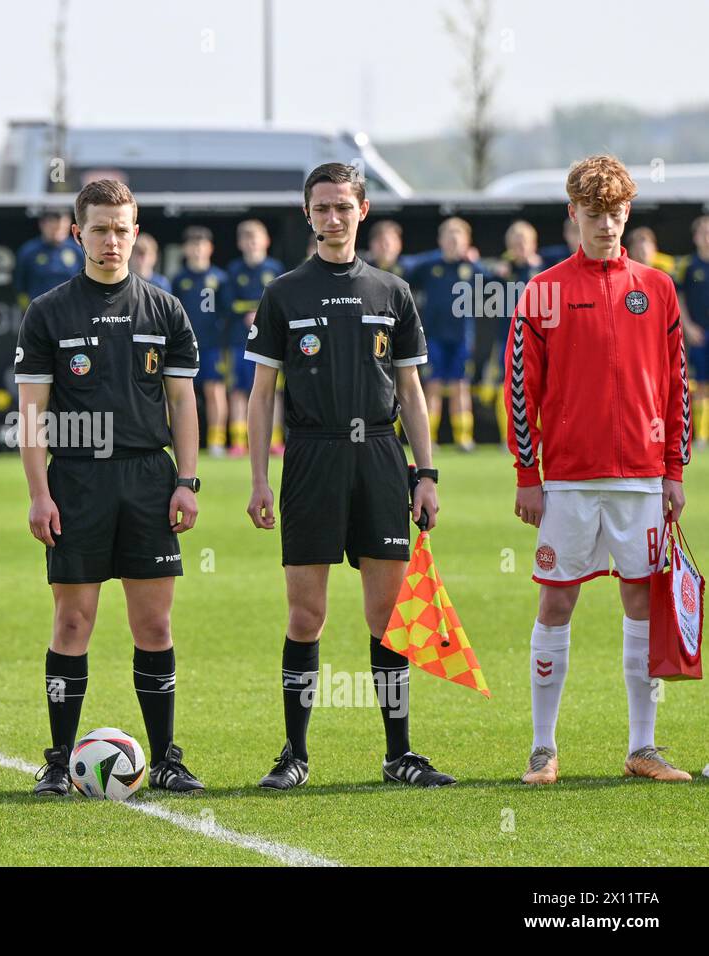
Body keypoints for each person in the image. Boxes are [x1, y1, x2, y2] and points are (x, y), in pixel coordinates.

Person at [245, 162, 453, 791]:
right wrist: (258, 479)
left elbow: (412, 391)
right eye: (321, 208)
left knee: (387, 615)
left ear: (362, 211)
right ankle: (295, 755)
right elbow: (260, 396)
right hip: (311, 458)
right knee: (306, 615)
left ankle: (398, 755)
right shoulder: (283, 293)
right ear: (307, 214)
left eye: (343, 207)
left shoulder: (392, 293)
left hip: (381, 460)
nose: (332, 218)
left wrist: (426, 472)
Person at [14, 179, 205, 796]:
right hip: (78, 479)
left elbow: (183, 401)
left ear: (136, 231)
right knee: (73, 621)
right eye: (99, 228)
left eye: (122, 228)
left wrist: (187, 481)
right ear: (78, 233)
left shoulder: (165, 310)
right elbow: (33, 414)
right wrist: (40, 493)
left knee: (154, 626)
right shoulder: (48, 312)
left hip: (150, 478)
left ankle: (169, 757)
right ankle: (57, 760)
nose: (112, 240)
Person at [507, 155, 692, 785]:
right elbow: (520, 390)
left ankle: (643, 746)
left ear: (628, 213)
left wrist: (674, 470)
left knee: (640, 602)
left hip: (642, 477)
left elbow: (677, 386)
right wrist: (527, 475)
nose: (607, 225)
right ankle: (542, 746)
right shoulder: (544, 290)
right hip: (566, 478)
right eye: (594, 214)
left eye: (616, 214)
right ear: (573, 215)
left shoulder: (659, 288)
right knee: (557, 600)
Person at [406, 218, 491, 451]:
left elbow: (493, 283)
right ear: (440, 240)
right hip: (433, 336)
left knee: (460, 386)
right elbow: (405, 271)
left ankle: (464, 439)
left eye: (458, 237)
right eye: (449, 237)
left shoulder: (471, 267)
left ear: (466, 241)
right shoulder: (429, 265)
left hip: (462, 336)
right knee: (432, 386)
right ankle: (429, 439)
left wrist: (478, 263)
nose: (453, 242)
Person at [224, 220, 284, 456]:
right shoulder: (234, 270)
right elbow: (230, 303)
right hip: (240, 340)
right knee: (239, 391)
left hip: (270, 341)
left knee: (273, 391)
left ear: (266, 241)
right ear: (240, 243)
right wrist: (249, 312)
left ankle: (275, 440)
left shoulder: (275, 268)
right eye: (247, 239)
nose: (251, 244)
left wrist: (259, 315)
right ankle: (239, 441)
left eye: (255, 239)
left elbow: (280, 302)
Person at [485, 221, 545, 447]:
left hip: (541, 337)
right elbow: (481, 288)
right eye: (515, 243)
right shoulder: (502, 271)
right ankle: (507, 437)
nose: (520, 247)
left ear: (533, 244)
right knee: (510, 385)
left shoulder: (543, 268)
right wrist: (496, 272)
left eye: (524, 242)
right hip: (509, 338)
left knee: (541, 387)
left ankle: (540, 435)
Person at [171, 226, 229, 456]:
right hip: (186, 346)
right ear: (185, 249)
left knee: (215, 391)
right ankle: (183, 440)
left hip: (213, 346)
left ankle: (216, 442)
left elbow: (227, 313)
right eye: (192, 246)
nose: (196, 250)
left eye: (201, 245)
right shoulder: (179, 279)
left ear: (210, 248)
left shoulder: (221, 278)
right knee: (183, 394)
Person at [676, 216, 709, 447]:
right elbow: (679, 297)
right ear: (696, 237)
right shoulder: (688, 265)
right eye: (703, 233)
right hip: (699, 333)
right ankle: (701, 437)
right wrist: (688, 327)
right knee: (700, 385)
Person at [14, 210, 83, 308]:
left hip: (71, 314)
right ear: (42, 224)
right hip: (40, 315)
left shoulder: (78, 251)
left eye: (62, 227)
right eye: (53, 227)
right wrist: (29, 311)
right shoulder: (28, 251)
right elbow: (20, 287)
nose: (58, 230)